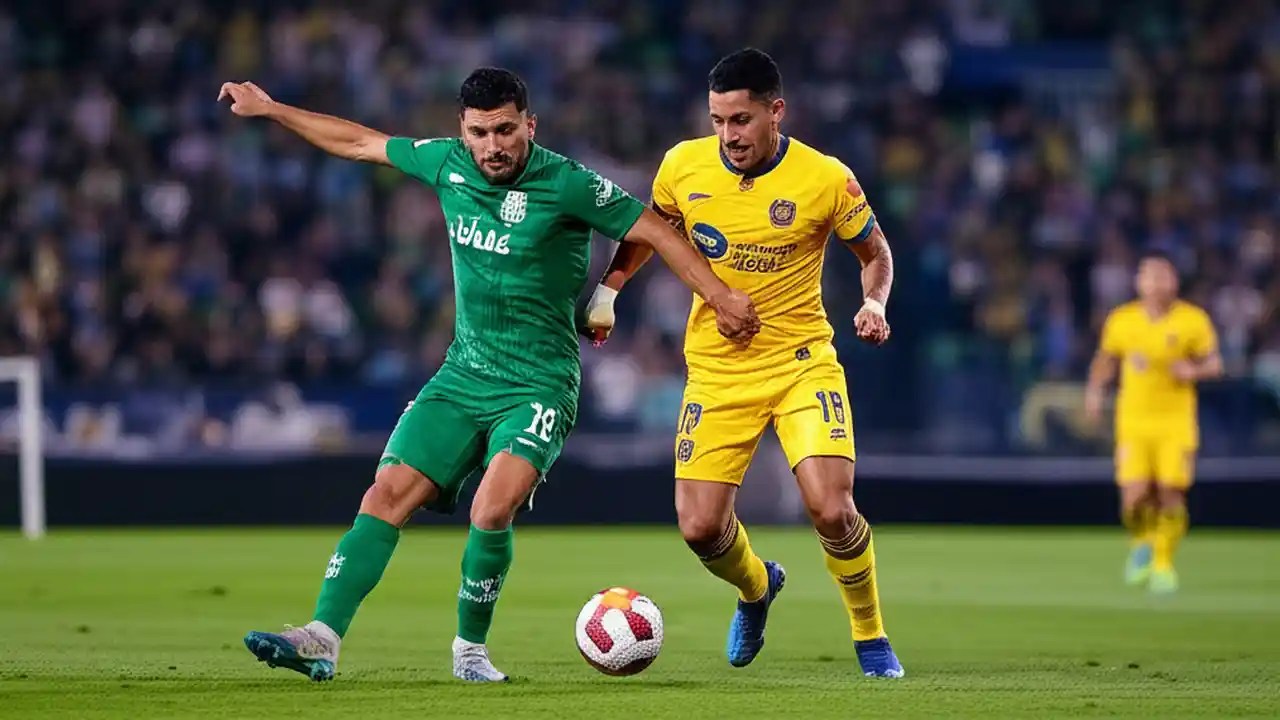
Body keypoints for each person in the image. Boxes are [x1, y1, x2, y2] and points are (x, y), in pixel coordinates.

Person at [218, 67, 760, 682]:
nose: (493, 146)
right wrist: (272, 108)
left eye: (506, 130)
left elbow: (657, 230)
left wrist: (717, 296)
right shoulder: (445, 163)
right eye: (480, 133)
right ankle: (321, 637)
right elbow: (359, 142)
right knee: (384, 496)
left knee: (490, 506)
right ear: (463, 130)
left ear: (529, 124)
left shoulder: (567, 183)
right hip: (462, 376)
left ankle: (470, 653)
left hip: (539, 385)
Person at [583, 48, 903, 678]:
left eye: (740, 120)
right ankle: (758, 587)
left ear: (775, 112)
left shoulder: (825, 177)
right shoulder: (683, 165)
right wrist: (608, 291)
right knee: (700, 527)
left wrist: (874, 302)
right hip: (717, 368)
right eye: (717, 120)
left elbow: (876, 251)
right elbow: (653, 233)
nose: (727, 136)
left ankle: (871, 637)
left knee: (832, 508)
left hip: (801, 361)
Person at [1085, 250, 1222, 594]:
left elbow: (1215, 364)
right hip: (1133, 419)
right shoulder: (1122, 320)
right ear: (1139, 282)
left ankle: (1163, 563)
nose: (1158, 283)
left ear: (1175, 281)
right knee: (1133, 497)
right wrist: (1094, 393)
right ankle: (1142, 541)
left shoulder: (1193, 320)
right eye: (1151, 276)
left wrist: (1193, 370)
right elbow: (1106, 360)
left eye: (1164, 276)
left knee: (1170, 491)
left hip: (1175, 420)